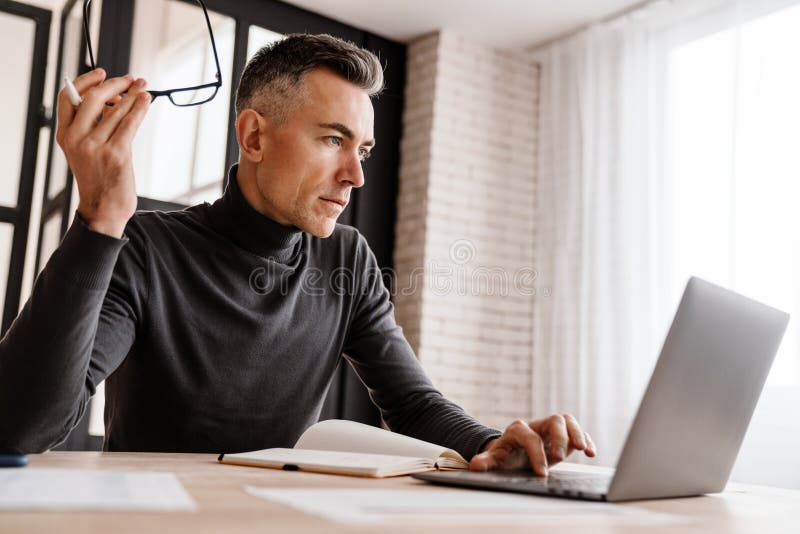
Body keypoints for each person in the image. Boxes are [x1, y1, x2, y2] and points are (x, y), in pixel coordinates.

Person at [0, 34, 594, 475]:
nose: (356, 175)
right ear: (254, 136)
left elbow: (412, 402)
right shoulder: (148, 248)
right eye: (333, 140)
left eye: (362, 147)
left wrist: (493, 445)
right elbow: (23, 426)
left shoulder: (347, 259)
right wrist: (102, 218)